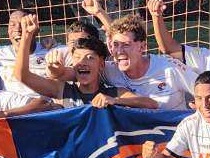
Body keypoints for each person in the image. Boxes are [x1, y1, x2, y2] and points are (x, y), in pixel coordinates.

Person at [10, 19, 151, 107]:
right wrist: (27, 36)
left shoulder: (114, 93)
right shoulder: (61, 90)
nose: (82, 62)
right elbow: (22, 76)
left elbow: (150, 103)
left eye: (90, 58)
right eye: (77, 58)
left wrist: (116, 101)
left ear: (102, 64)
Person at [103, 16, 190, 108]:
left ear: (142, 47)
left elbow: (202, 87)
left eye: (126, 45)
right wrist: (99, 12)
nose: (119, 51)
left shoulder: (170, 67)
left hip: (175, 122)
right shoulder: (110, 71)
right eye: (115, 45)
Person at [0, 8, 56, 95]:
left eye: (23, 24)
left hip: (46, 104)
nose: (17, 29)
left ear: (35, 29)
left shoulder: (50, 50)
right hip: (13, 104)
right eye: (12, 25)